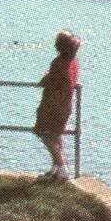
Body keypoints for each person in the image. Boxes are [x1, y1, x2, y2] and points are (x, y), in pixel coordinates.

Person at [34, 30, 80, 182]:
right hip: (65, 104)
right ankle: (55, 169)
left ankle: (62, 168)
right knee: (56, 135)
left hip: (53, 104)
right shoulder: (73, 62)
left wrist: (45, 79)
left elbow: (50, 80)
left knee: (47, 135)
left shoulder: (58, 63)